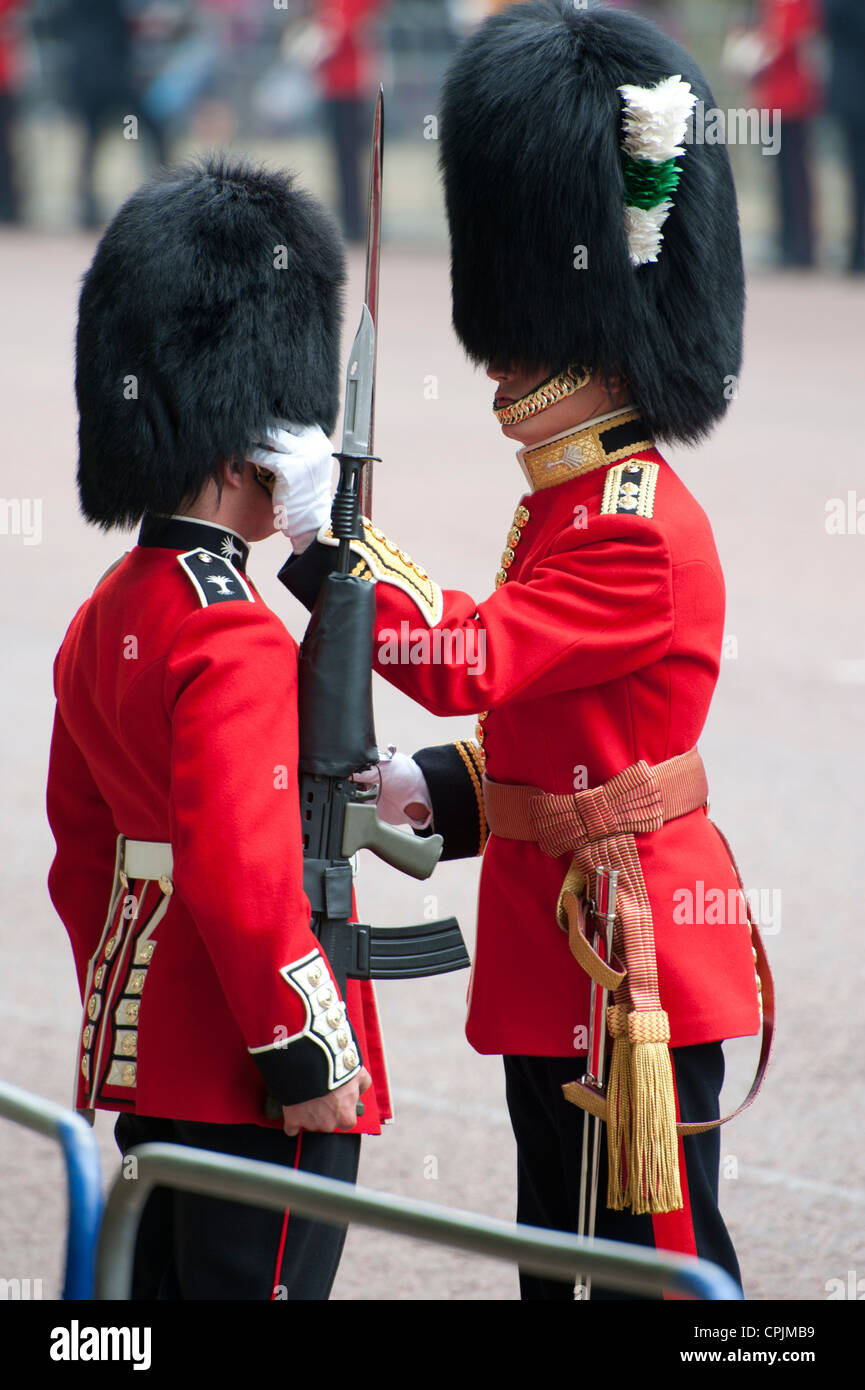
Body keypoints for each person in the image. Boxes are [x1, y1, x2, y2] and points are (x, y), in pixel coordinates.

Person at [272, 1, 769, 1299]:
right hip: (554, 939)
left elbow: (475, 660)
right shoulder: (564, 498)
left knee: (657, 1276)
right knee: (550, 1266)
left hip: (625, 956)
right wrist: (426, 790)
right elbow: (553, 728)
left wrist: (340, 540)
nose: (504, 360)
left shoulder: (632, 524)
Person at [46, 155, 390, 1300]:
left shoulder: (111, 611)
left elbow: (82, 857)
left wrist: (146, 1011)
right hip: (256, 1070)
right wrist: (303, 1044)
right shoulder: (231, 633)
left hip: (158, 1055)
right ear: (259, 439)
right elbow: (246, 876)